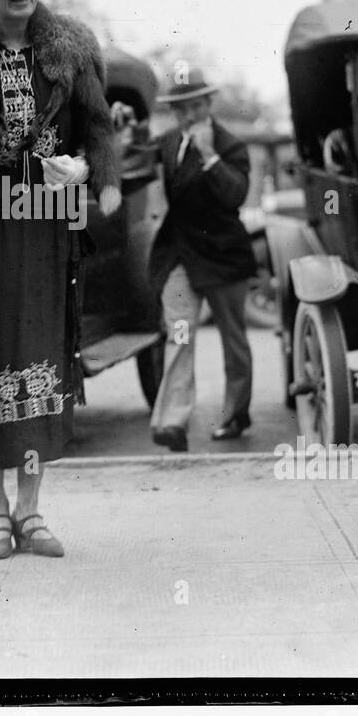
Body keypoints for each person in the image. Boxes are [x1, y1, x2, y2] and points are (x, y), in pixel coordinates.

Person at [0, 0, 121, 560]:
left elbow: (97, 129)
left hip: (48, 224)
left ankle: (32, 509)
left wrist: (83, 170)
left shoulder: (72, 46)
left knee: (44, 355)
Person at [148, 69, 256, 452]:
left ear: (209, 105)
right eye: (180, 109)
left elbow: (235, 196)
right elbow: (137, 158)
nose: (187, 115)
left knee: (233, 339)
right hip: (181, 257)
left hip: (224, 258)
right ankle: (173, 422)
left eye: (195, 106)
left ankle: (234, 415)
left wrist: (210, 156)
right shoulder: (168, 142)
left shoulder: (231, 146)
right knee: (180, 333)